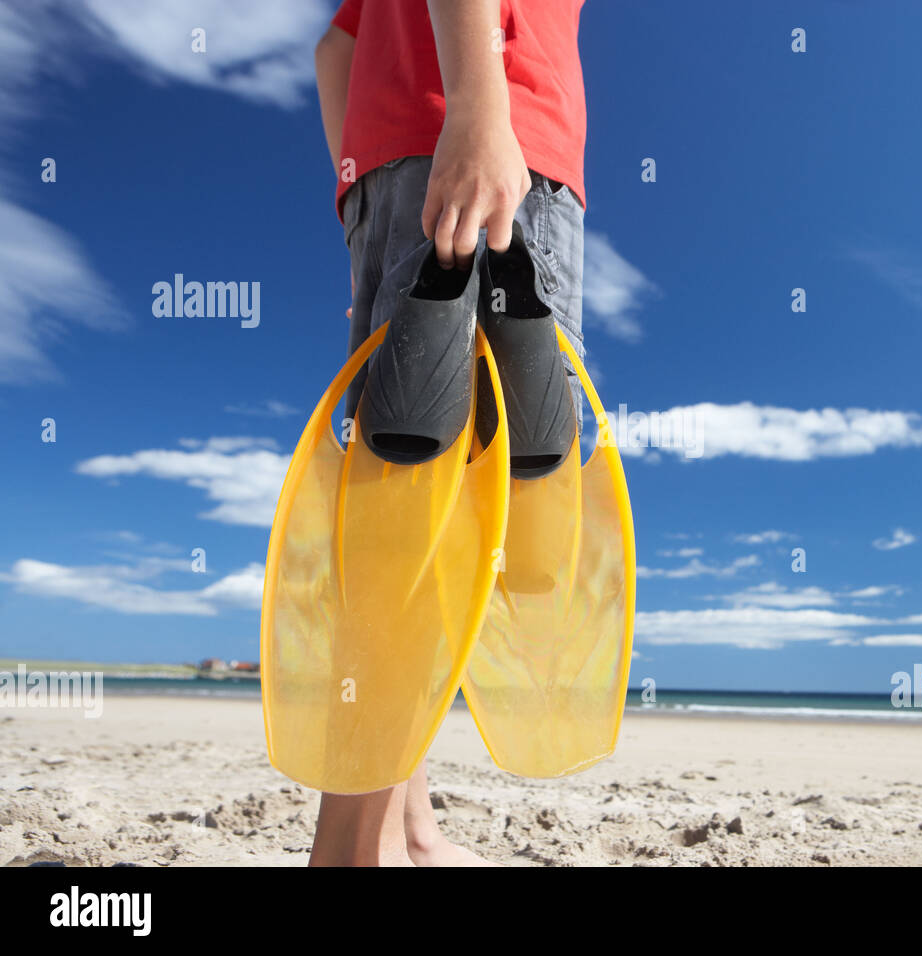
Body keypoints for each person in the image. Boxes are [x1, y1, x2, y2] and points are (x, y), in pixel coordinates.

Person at [310, 0, 587, 867]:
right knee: (430, 519)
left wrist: (367, 191)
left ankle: (411, 830)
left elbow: (337, 47)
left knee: (416, 502)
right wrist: (477, 105)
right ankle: (351, 855)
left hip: (410, 156)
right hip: (500, 144)